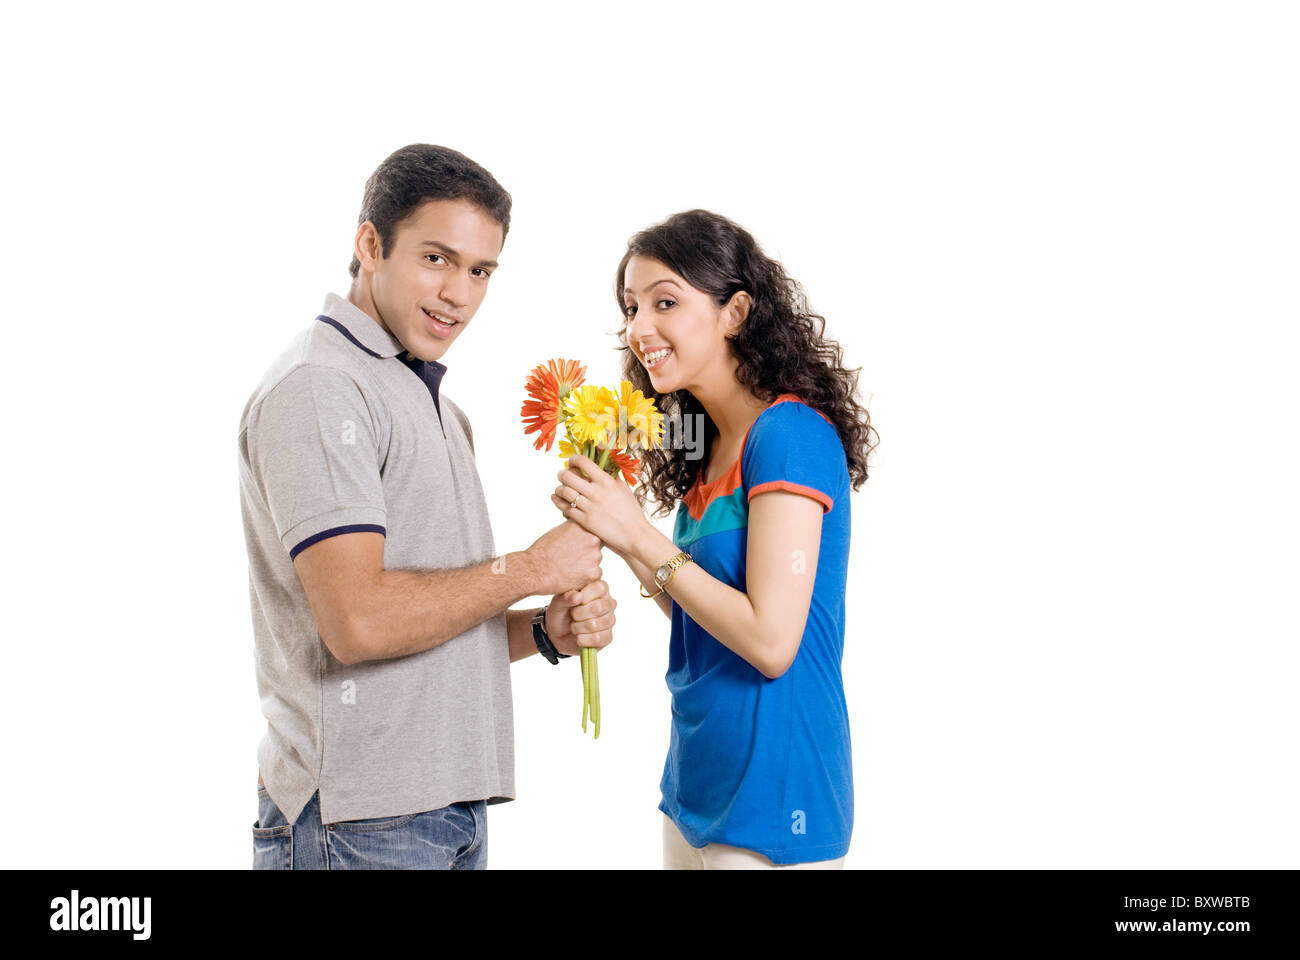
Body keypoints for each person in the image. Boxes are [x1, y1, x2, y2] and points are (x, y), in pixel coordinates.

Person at [237, 144, 617, 869]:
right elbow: (359, 622)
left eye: (480, 271)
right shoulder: (321, 387)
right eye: (437, 259)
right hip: (358, 823)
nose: (459, 295)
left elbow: (427, 620)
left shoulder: (433, 403)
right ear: (369, 244)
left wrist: (543, 629)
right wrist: (532, 566)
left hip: (445, 811)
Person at [552, 209, 876, 869]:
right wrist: (619, 536)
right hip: (694, 787)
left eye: (665, 302)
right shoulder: (706, 446)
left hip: (776, 799)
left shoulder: (788, 435)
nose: (639, 329)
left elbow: (768, 643)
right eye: (632, 307)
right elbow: (699, 618)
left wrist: (639, 536)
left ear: (735, 312)